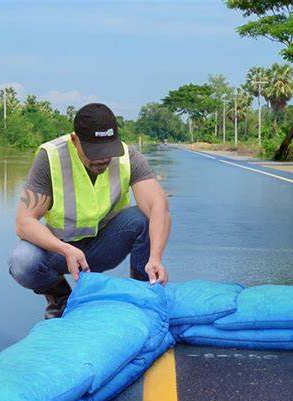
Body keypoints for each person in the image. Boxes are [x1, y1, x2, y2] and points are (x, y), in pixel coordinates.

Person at [9, 103, 171, 319]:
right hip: (63, 252)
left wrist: (156, 257)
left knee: (143, 217)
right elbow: (24, 222)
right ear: (75, 140)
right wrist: (64, 249)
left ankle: (142, 290)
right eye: (95, 152)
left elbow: (158, 205)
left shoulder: (128, 156)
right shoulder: (51, 158)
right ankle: (62, 301)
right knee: (22, 260)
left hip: (108, 245)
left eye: (107, 150)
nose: (103, 158)